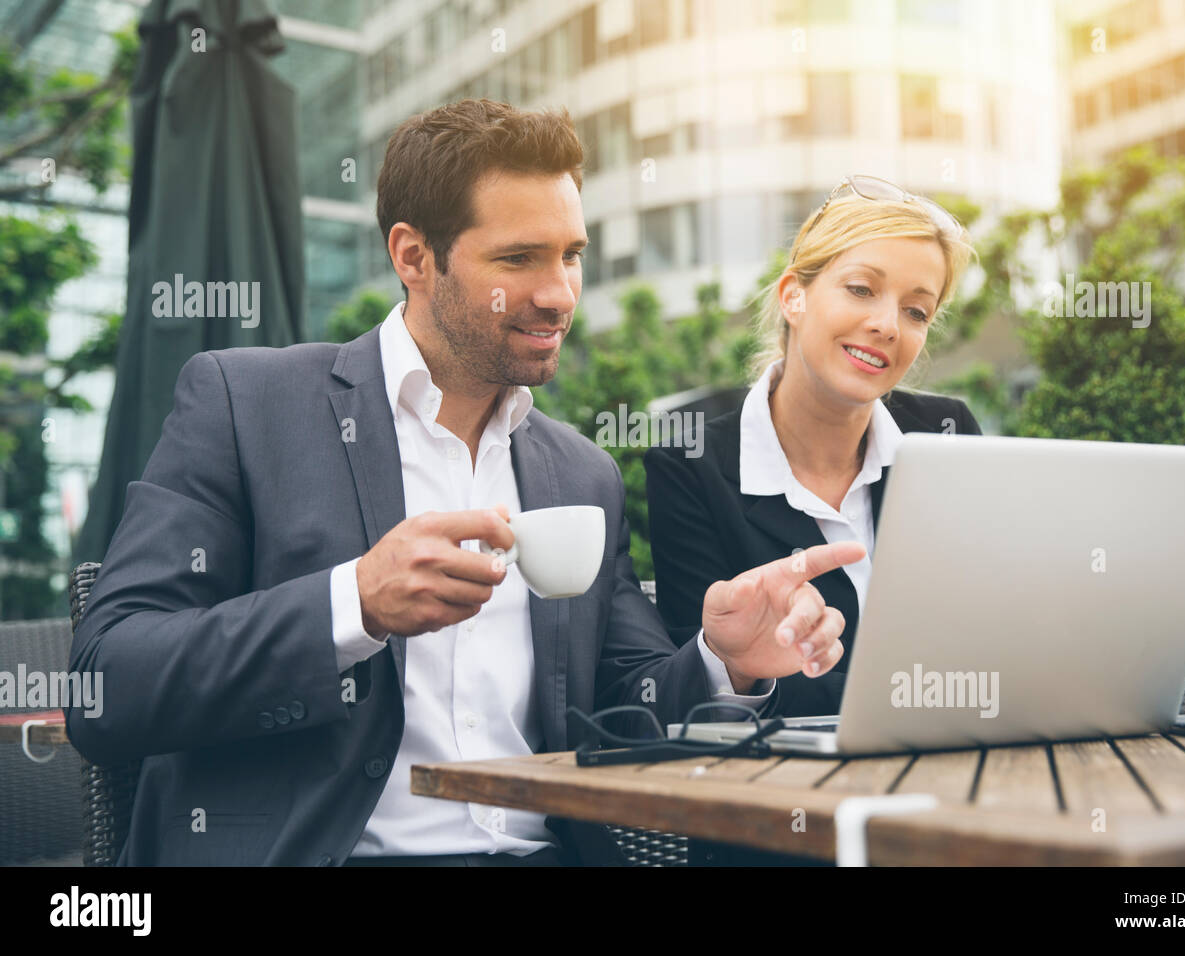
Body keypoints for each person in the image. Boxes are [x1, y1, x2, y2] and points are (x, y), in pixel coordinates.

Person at [65, 100, 864, 866]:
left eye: (571, 256)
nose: (557, 294)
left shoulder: (579, 472)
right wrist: (355, 602)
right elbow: (107, 684)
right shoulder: (246, 405)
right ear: (413, 256)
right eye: (518, 259)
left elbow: (626, 709)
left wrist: (725, 661)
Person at [645, 176, 982, 720]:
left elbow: (984, 636)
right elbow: (699, 695)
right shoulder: (690, 468)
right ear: (793, 297)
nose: (886, 325)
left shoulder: (946, 433)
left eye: (916, 311)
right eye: (861, 289)